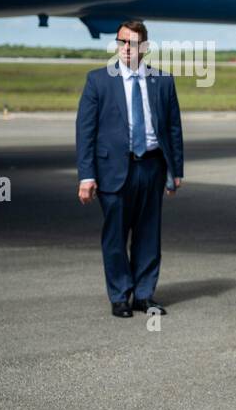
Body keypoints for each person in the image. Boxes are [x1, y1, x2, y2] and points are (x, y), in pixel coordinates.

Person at [76, 20, 184, 317]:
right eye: (121, 41)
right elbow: (85, 132)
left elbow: (173, 129)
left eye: (132, 43)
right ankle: (120, 295)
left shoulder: (163, 81)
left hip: (151, 166)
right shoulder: (98, 80)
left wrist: (176, 171)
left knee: (149, 235)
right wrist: (87, 175)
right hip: (113, 169)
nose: (125, 48)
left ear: (145, 48)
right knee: (115, 236)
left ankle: (145, 294)